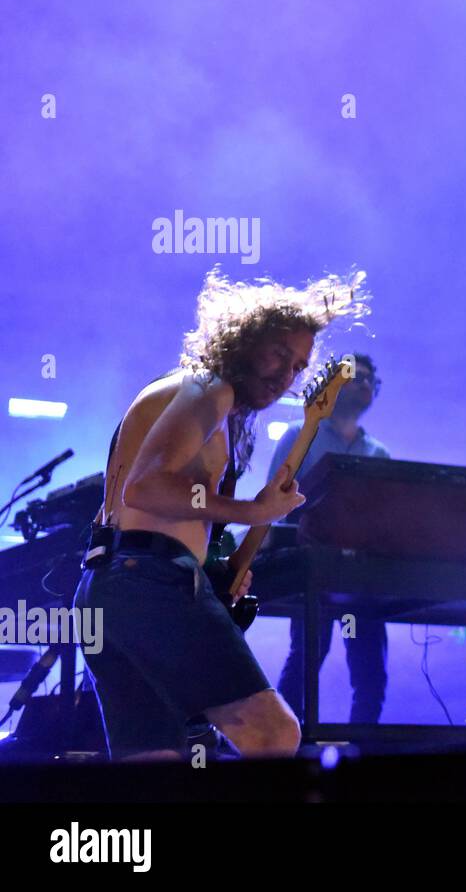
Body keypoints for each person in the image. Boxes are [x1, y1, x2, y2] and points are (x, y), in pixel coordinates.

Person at [74, 268, 367, 759]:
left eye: (297, 366)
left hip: (108, 590)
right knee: (275, 734)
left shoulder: (180, 393)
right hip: (150, 581)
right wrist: (252, 510)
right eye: (278, 353)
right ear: (244, 339)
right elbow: (145, 489)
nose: (286, 375)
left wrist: (215, 569)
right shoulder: (210, 388)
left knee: (153, 770)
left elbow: (151, 507)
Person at [271, 352, 392, 725]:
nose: (367, 384)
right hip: (311, 570)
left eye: (373, 379)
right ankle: (286, 751)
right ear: (334, 386)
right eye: (359, 377)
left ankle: (364, 753)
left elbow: (389, 518)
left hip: (362, 577)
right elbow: (273, 505)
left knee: (370, 667)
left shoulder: (379, 453)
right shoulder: (299, 438)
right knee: (309, 654)